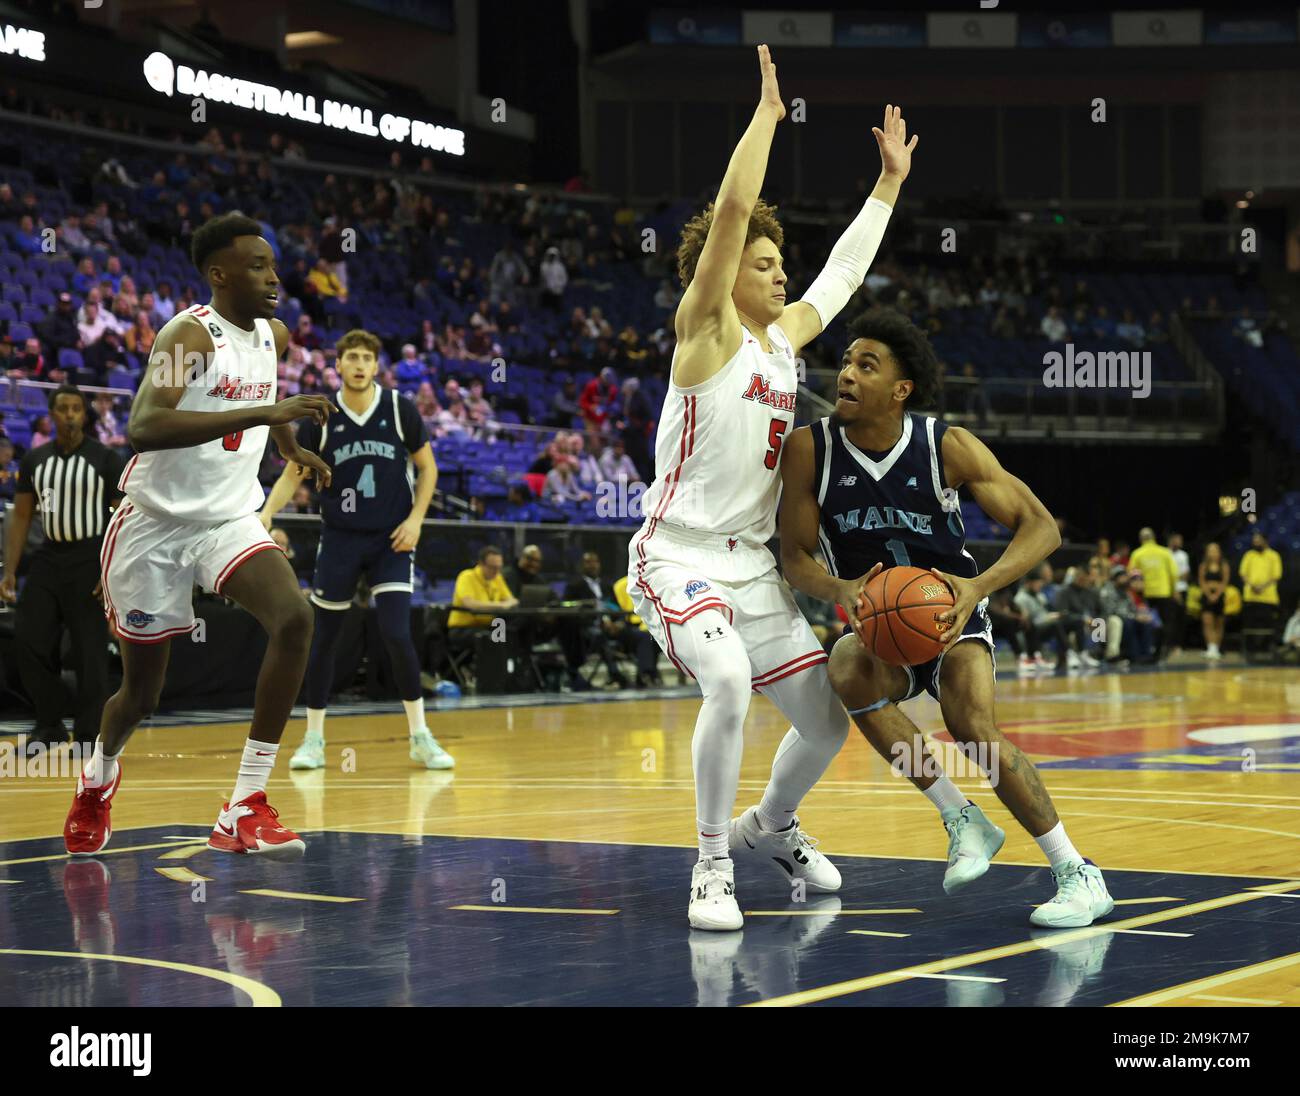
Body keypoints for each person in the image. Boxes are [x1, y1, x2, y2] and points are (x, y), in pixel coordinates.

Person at [627, 54, 914, 932]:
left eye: (779, 263)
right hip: (675, 555)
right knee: (722, 682)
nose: (780, 274)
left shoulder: (783, 344)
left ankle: (772, 826)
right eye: (763, 261)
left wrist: (888, 187)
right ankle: (710, 865)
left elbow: (841, 278)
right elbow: (729, 219)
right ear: (726, 272)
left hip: (751, 571)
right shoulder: (703, 330)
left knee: (827, 720)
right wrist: (764, 118)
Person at [783, 305, 1113, 928]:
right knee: (846, 666)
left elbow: (1040, 528)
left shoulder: (946, 444)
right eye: (846, 362)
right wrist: (841, 586)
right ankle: (961, 817)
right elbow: (794, 556)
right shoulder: (811, 449)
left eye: (866, 365)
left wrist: (974, 587)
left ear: (900, 389)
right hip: (879, 624)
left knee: (971, 728)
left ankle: (1078, 873)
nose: (846, 374)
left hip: (952, 614)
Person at [61, 211, 335, 859]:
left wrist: (295, 446)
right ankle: (97, 779)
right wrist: (268, 414)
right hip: (153, 525)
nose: (274, 277)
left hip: (228, 518)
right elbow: (144, 427)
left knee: (295, 619)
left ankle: (243, 804)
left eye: (273, 264)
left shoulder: (275, 335)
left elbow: (269, 395)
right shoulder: (189, 335)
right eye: (258, 266)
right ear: (219, 274)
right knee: (141, 696)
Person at [259, 328, 453, 772]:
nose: (360, 365)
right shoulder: (322, 416)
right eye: (353, 358)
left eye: (368, 357)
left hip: (392, 539)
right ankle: (313, 739)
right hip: (342, 537)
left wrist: (416, 520)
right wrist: (267, 513)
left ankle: (420, 737)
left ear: (376, 365)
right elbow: (294, 472)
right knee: (324, 638)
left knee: (398, 634)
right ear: (339, 365)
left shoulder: (399, 409)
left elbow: (428, 469)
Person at [0, 387, 124, 745]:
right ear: (52, 415)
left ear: (84, 416)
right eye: (63, 409)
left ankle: (89, 733)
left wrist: (111, 567)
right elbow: (22, 515)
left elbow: (122, 518)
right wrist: (9, 569)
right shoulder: (35, 460)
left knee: (89, 651)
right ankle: (49, 723)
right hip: (49, 557)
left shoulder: (105, 458)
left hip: (91, 558)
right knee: (28, 638)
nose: (70, 414)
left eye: (76, 409)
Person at [1128, 527, 1178, 660]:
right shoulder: (1164, 552)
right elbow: (1173, 574)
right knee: (1165, 623)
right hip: (1164, 592)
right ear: (1154, 537)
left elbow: (1132, 574)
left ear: (1141, 539)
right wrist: (1174, 591)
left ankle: (1151, 650)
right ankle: (1163, 650)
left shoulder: (1137, 554)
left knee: (1150, 623)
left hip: (1146, 594)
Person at [1239, 530, 1283, 657]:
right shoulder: (1249, 555)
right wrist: (1252, 586)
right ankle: (1250, 650)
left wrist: (1262, 587)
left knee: (1268, 626)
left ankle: (1267, 650)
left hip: (1268, 598)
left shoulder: (1274, 556)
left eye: (1258, 540)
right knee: (1250, 625)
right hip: (1250, 596)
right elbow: (1243, 573)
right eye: (1254, 540)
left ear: (1265, 541)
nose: (1255, 542)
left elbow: (1276, 575)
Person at [1198, 542, 1229, 660]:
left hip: (1219, 596)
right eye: (1210, 550)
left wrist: (1217, 594)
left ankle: (1217, 648)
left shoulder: (1223, 565)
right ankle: (1210, 647)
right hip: (1206, 597)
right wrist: (1209, 594)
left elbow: (1225, 581)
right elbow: (1201, 581)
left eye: (1215, 550)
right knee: (1207, 623)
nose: (1213, 553)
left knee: (1219, 623)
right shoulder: (1203, 566)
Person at [1168, 531, 1191, 654]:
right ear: (1171, 541)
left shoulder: (1184, 555)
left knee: (1181, 619)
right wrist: (1174, 579)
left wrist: (1174, 577)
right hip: (1168, 591)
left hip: (1182, 589)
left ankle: (1178, 645)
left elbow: (1186, 575)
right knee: (1170, 619)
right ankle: (1168, 645)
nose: (1180, 542)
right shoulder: (1165, 554)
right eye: (1177, 540)